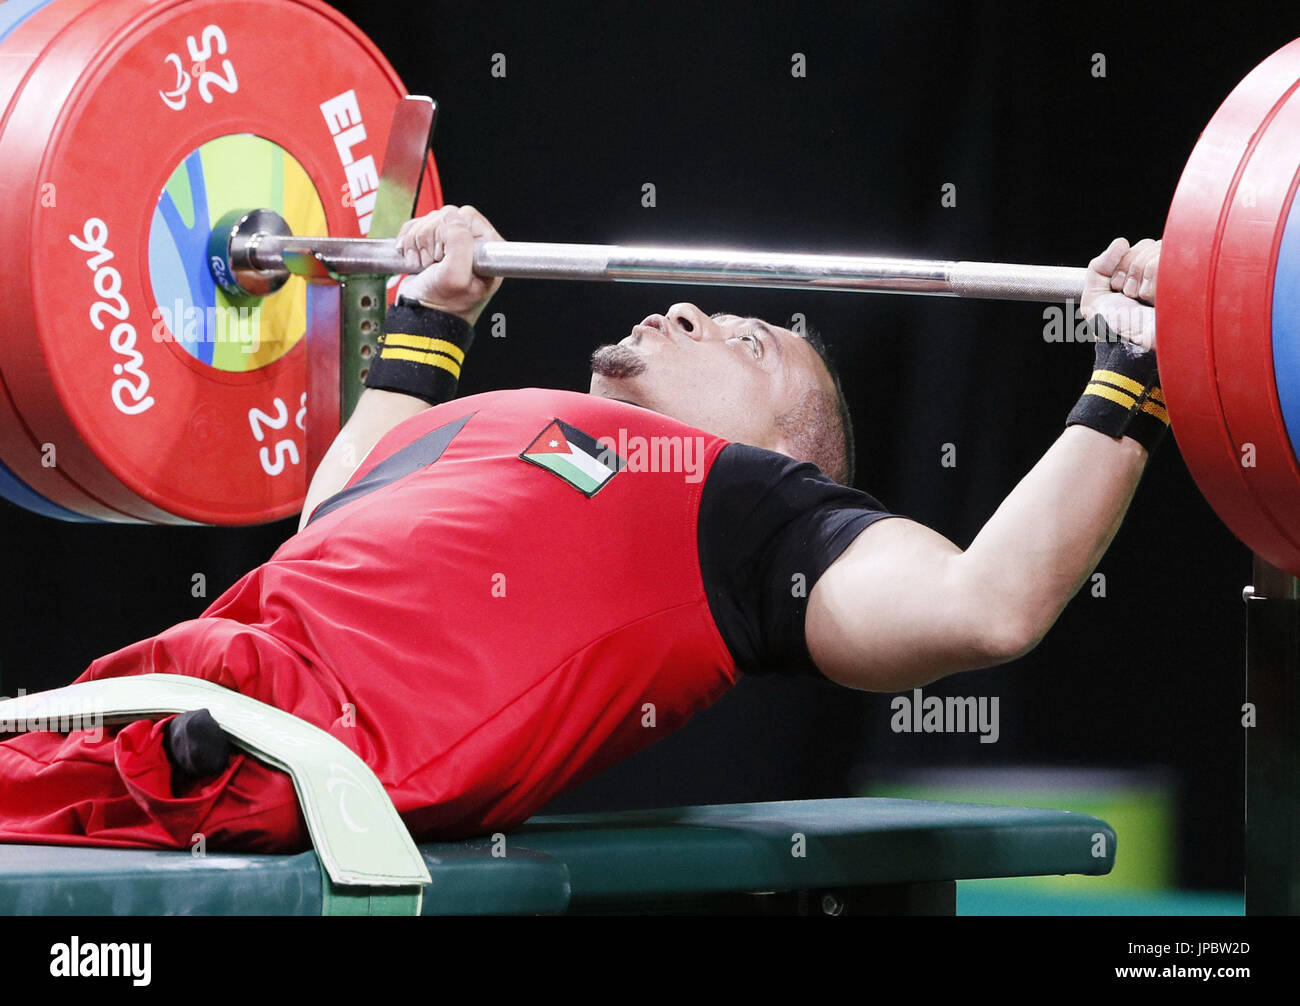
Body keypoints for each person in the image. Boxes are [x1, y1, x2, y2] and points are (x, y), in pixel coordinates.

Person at [0, 206, 1167, 852]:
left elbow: (988, 603)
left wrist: (1129, 370)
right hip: (139, 707)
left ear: (790, 453)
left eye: (751, 343)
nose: (693, 307)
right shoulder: (480, 422)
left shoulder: (749, 514)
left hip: (259, 770)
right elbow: (323, 528)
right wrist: (425, 318)